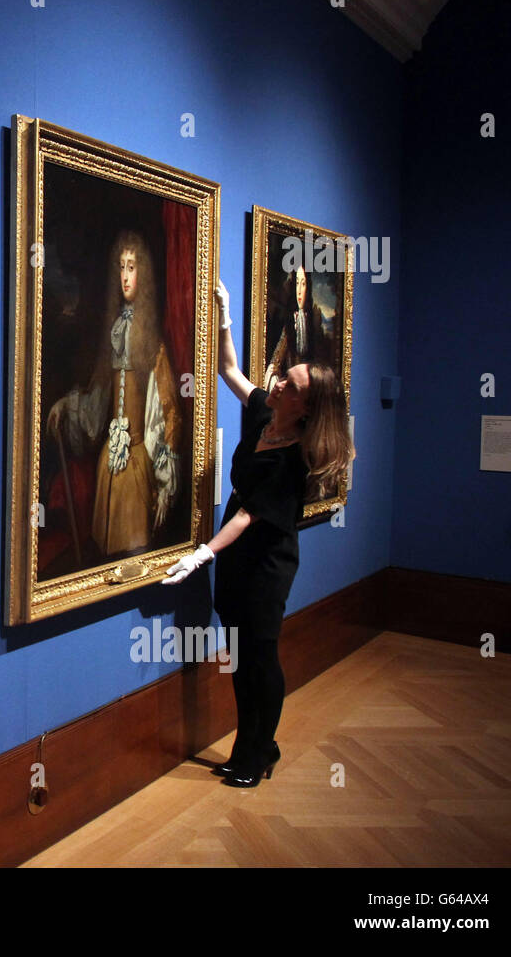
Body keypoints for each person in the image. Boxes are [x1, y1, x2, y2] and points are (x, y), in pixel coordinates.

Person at [163, 278, 353, 787]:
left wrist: (200, 555)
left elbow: (248, 516)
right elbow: (230, 370)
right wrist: (225, 317)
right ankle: (253, 745)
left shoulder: (295, 458)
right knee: (240, 657)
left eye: (289, 385)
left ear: (305, 408)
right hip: (236, 553)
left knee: (258, 659)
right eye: (283, 377)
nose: (278, 383)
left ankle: (256, 752)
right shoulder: (266, 411)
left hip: (265, 563)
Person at [46, 230, 183, 560]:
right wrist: (67, 406)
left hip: (136, 463)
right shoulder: (115, 332)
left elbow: (165, 414)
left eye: (132, 267)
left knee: (132, 555)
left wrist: (164, 481)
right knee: (103, 556)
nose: (125, 276)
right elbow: (98, 399)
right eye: (121, 267)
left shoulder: (154, 347)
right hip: (109, 463)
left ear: (143, 274)